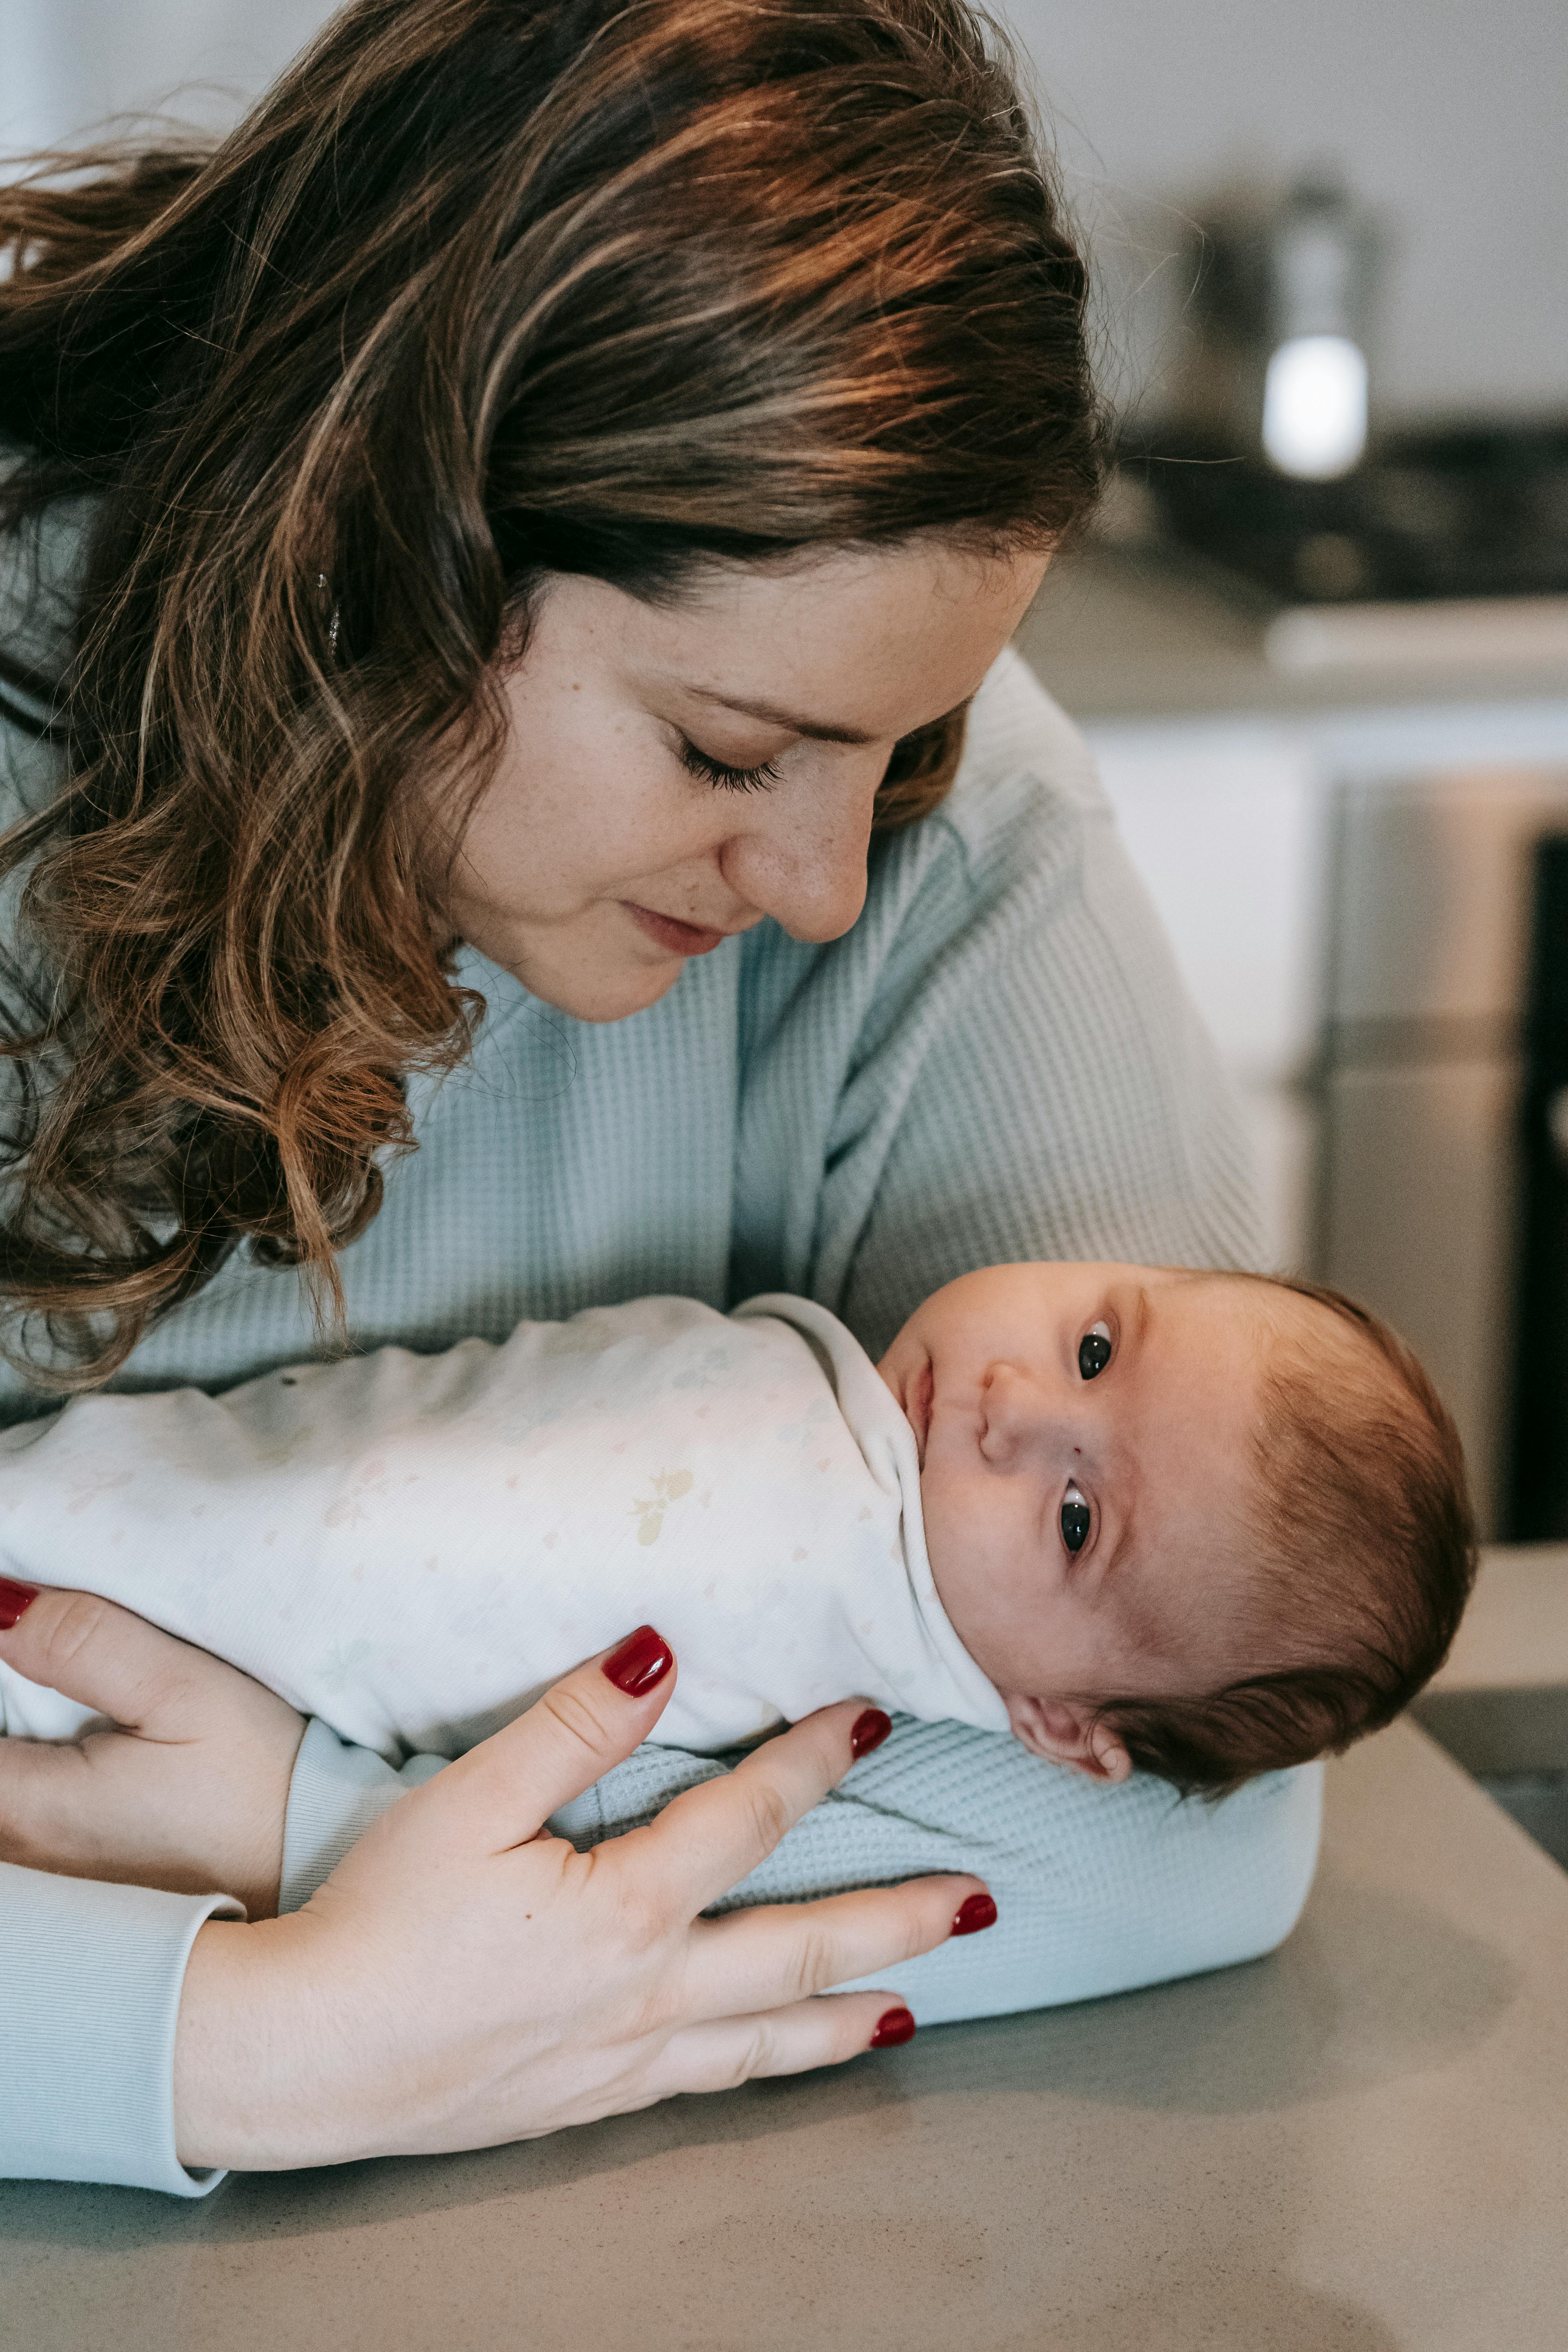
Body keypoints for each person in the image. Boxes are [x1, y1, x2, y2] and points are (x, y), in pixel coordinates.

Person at [0, 0, 1322, 2195]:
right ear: (374, 534)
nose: (824, 884)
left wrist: (321, 1845)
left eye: (896, 745)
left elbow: (1197, 1802)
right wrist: (225, 2045)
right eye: (724, 756)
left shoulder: (940, 830)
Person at [0, 1259, 1475, 1786]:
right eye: (1096, 1347)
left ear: (1066, 1725)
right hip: (122, 1490)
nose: (1012, 1406)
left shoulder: (864, 1649)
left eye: (1078, 1521)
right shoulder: (881, 1445)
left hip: (107, 1669)